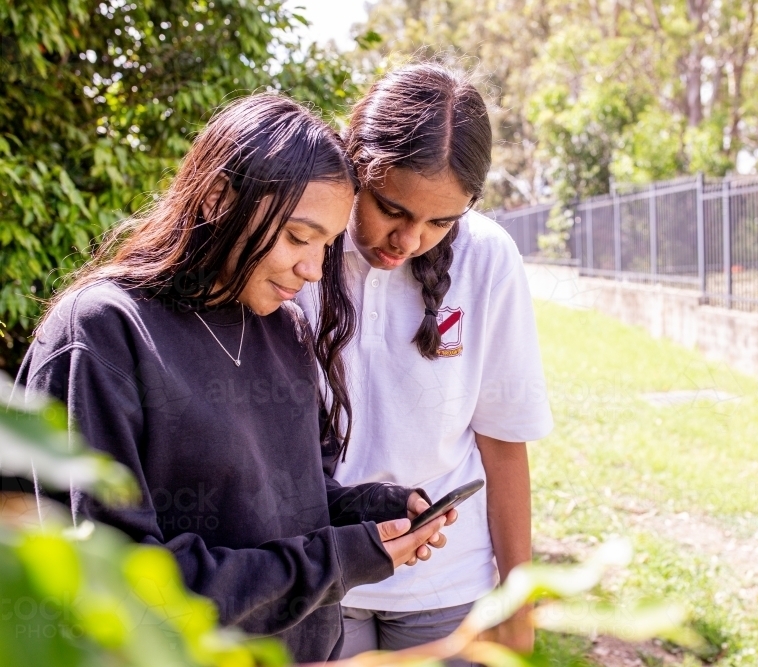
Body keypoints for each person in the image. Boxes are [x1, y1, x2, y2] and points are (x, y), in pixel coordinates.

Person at [15, 94, 455, 663]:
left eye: (326, 245)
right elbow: (119, 581)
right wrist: (337, 560)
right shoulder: (107, 331)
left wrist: (375, 510)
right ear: (221, 198)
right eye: (298, 238)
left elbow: (296, 496)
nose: (312, 269)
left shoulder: (284, 329)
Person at [297, 63, 553, 656]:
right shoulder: (299, 246)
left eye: (441, 222)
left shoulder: (488, 257)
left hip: (447, 585)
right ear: (356, 163)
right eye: (392, 209)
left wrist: (518, 601)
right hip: (320, 572)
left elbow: (503, 439)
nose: (409, 241)